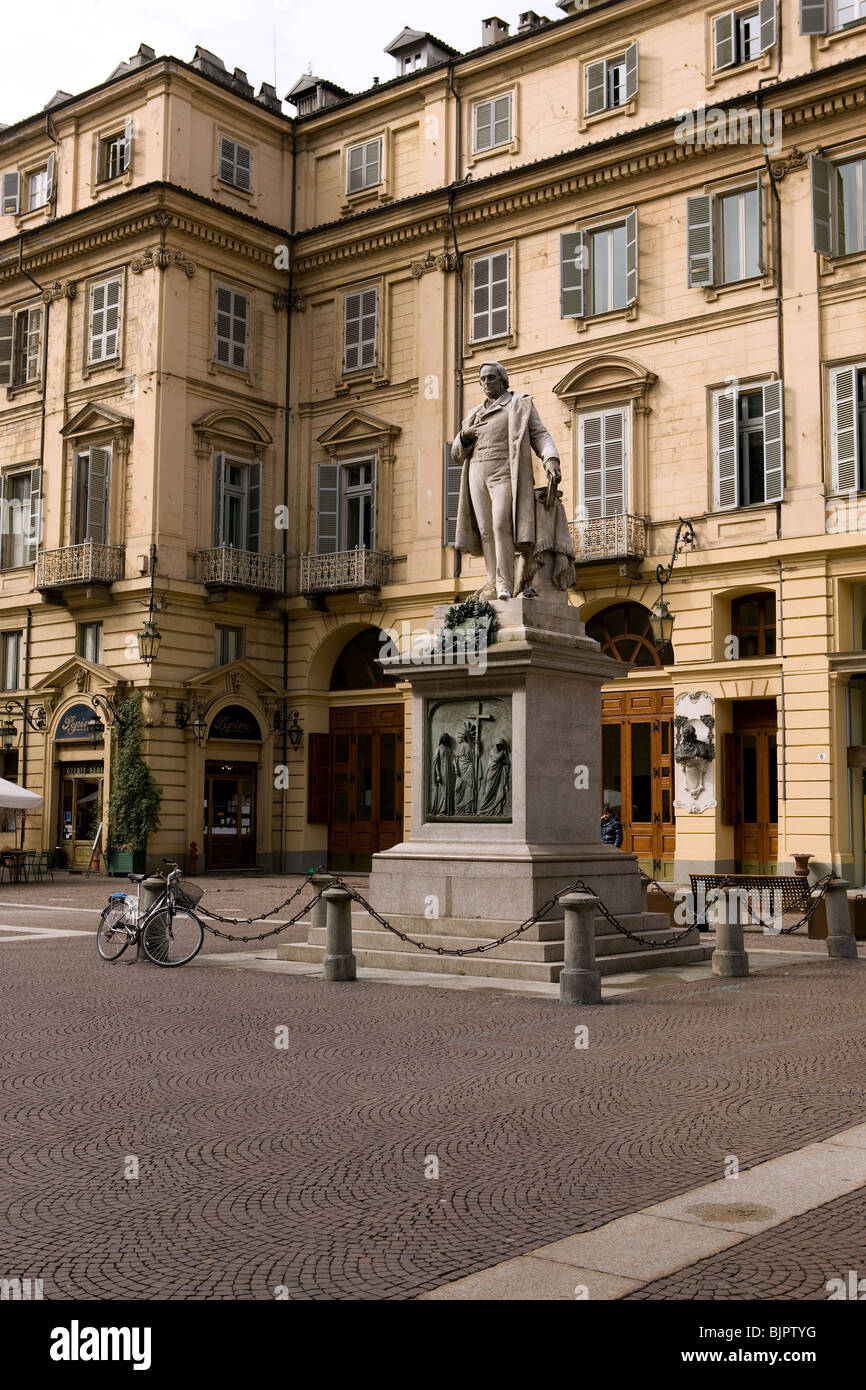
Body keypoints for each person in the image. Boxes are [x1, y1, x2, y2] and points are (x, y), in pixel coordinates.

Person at [451, 362, 562, 601]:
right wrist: (464, 436)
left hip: (505, 472)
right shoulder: (473, 414)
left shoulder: (518, 404)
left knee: (502, 525)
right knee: (485, 530)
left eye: (491, 378)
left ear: (503, 379)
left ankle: (504, 582)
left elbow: (540, 434)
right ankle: (491, 581)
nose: (486, 383)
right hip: (477, 473)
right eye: (482, 379)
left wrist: (550, 458)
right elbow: (456, 454)